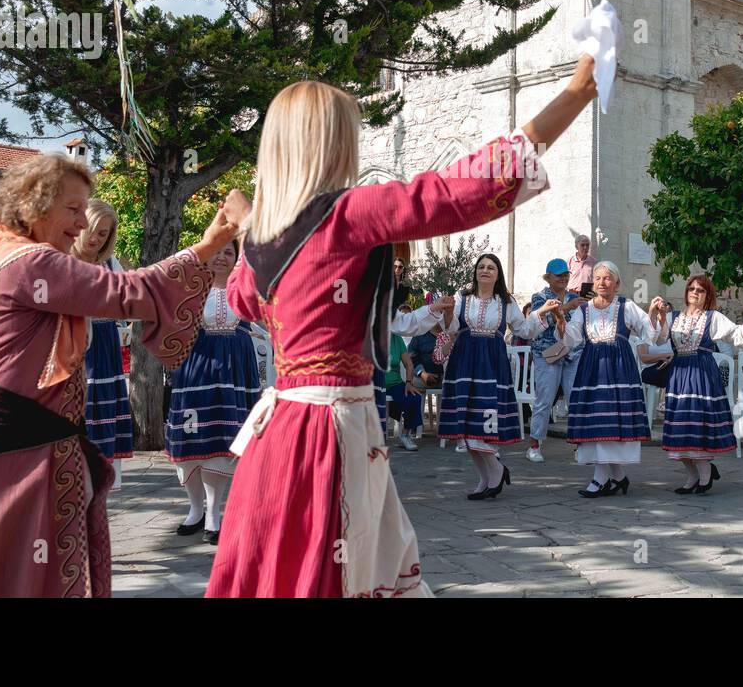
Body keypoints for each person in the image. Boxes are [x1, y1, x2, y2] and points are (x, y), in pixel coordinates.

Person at [207, 54, 598, 598]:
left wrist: (248, 224)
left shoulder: (261, 241)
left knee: (289, 568)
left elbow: (243, 298)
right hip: (332, 431)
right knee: (342, 571)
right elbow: (454, 194)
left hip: (281, 431)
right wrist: (574, 95)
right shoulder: (348, 213)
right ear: (328, 145)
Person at [0, 153, 233, 597]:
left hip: (16, 450)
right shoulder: (30, 261)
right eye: (73, 210)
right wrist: (207, 247)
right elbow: (127, 292)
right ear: (36, 203)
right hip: (3, 454)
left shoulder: (4, 252)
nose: (81, 223)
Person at [165, 240, 265, 544]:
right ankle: (195, 508)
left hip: (233, 371)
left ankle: (213, 513)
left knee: (224, 442)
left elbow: (265, 323)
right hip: (195, 370)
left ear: (236, 258)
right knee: (190, 441)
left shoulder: (245, 288)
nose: (221, 258)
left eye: (228, 252)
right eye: (217, 252)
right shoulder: (189, 288)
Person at [440, 254, 558, 498]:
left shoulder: (505, 301)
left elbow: (524, 330)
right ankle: (486, 478)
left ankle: (495, 470)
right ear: (475, 272)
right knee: (465, 424)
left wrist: (542, 312)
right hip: (464, 361)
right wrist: (449, 313)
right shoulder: (462, 297)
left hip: (491, 364)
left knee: (484, 418)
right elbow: (450, 329)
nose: (485, 270)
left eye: (491, 267)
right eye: (481, 267)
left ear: (498, 274)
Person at [562, 261, 669, 498]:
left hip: (619, 370)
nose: (602, 282)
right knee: (597, 421)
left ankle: (600, 480)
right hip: (592, 370)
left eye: (608, 278)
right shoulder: (583, 310)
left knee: (611, 420)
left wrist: (655, 315)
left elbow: (648, 333)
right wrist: (561, 319)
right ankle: (618, 478)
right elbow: (570, 339)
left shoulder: (626, 306)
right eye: (598, 278)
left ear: (617, 283)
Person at [660, 275, 743, 493]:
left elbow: (738, 335)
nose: (694, 292)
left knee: (697, 424)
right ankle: (692, 476)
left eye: (700, 290)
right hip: (679, 375)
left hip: (701, 375)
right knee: (680, 425)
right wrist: (656, 314)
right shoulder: (674, 317)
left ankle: (704, 476)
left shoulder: (713, 317)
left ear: (707, 295)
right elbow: (656, 337)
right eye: (691, 288)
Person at [71, 199, 133, 488]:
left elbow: (128, 298)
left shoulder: (110, 263)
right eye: (94, 230)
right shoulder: (62, 259)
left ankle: (101, 478)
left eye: (104, 234)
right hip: (74, 346)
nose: (96, 239)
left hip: (105, 346)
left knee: (102, 411)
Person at [525, 258, 584, 463]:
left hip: (572, 353)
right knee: (544, 400)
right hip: (547, 354)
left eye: (566, 274)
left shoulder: (574, 297)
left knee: (575, 400)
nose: (563, 277)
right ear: (548, 277)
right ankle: (534, 445)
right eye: (559, 274)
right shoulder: (540, 297)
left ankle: (579, 446)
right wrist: (568, 307)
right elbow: (547, 320)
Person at [386, 313, 423, 451]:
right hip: (374, 384)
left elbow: (409, 364)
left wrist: (408, 382)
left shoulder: (397, 339)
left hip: (395, 383)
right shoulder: (370, 338)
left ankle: (405, 435)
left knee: (414, 397)